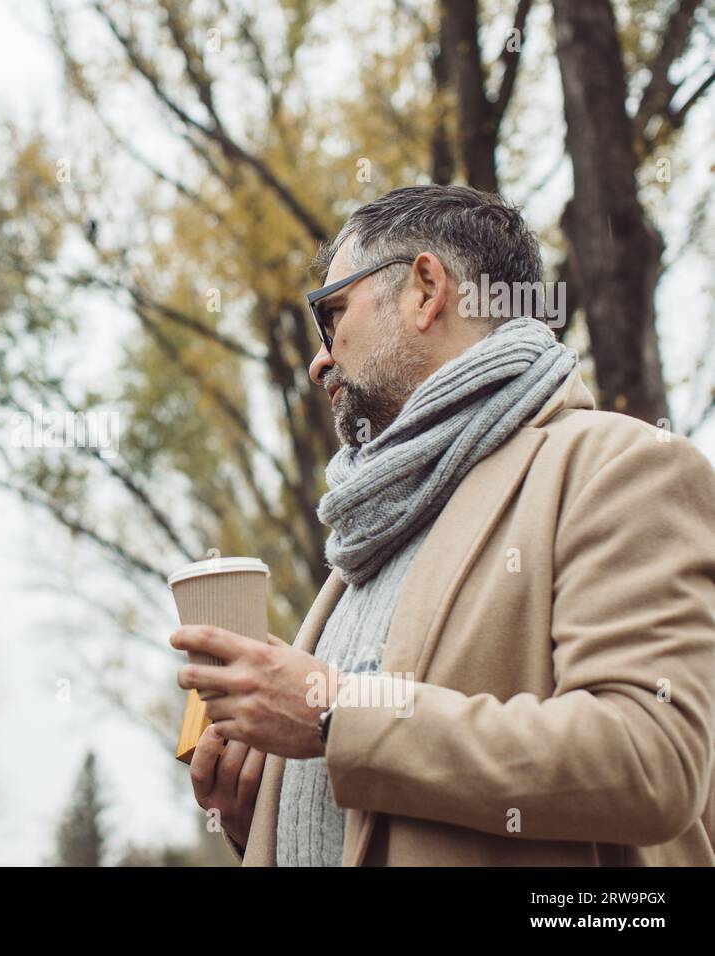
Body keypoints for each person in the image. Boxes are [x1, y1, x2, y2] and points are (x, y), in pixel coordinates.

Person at [174, 185, 715, 866]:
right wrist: (264, 804)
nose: (319, 361)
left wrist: (331, 713)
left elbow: (650, 761)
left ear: (426, 289)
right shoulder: (376, 529)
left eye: (331, 315)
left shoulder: (621, 467)